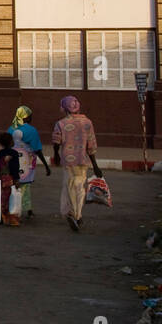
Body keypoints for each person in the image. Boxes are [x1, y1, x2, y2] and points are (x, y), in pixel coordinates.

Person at [52, 95, 103, 232]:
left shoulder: (60, 123)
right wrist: (95, 165)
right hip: (83, 160)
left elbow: (56, 142)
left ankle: (73, 214)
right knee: (80, 188)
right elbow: (91, 145)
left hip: (68, 161)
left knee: (70, 187)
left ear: (65, 108)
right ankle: (77, 215)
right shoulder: (87, 123)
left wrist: (56, 155)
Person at [8, 105, 49, 219]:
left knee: (15, 185)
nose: (31, 118)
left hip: (12, 162)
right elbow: (37, 149)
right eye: (30, 116)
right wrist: (46, 166)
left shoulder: (11, 129)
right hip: (27, 162)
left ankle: (17, 208)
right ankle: (21, 210)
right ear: (25, 117)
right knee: (25, 186)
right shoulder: (31, 130)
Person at [0, 131, 22, 226]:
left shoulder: (1, 153)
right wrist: (16, 179)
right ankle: (12, 218)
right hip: (10, 179)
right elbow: (15, 167)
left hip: (2, 178)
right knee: (12, 197)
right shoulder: (14, 153)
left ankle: (2, 216)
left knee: (2, 198)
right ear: (11, 142)